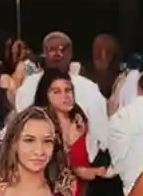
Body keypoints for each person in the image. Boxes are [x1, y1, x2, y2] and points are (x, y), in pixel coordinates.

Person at [14, 32, 109, 161]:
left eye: (63, 49)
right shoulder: (29, 85)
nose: (57, 54)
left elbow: (101, 133)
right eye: (52, 49)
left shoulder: (88, 87)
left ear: (70, 54)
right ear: (44, 53)